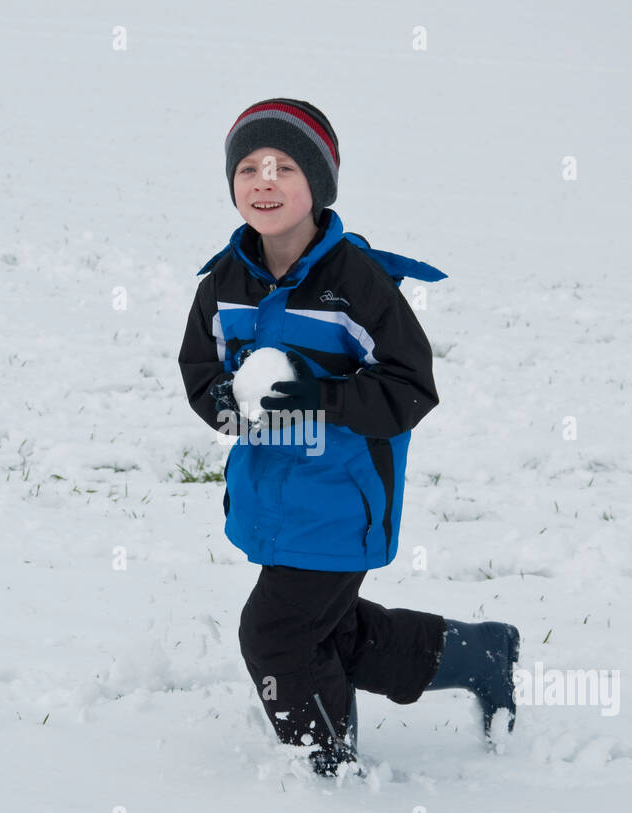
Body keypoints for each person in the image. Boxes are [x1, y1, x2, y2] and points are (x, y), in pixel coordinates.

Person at [177, 97, 520, 777]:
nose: (264, 181)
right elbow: (201, 375)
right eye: (248, 167)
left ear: (318, 186)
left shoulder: (357, 284)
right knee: (338, 636)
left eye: (284, 166)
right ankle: (479, 653)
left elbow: (410, 387)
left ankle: (327, 765)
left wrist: (319, 396)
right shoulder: (223, 281)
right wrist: (231, 404)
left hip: (342, 501)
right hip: (270, 499)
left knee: (276, 636)